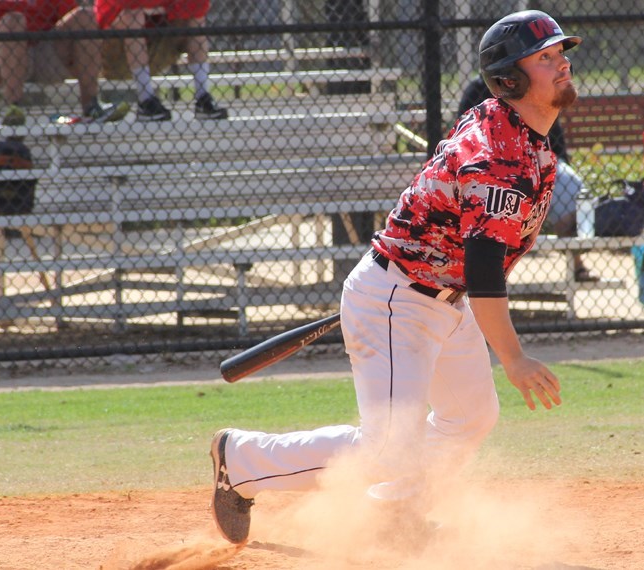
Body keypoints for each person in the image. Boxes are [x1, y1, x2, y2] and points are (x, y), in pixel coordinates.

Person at [208, 10, 580, 547]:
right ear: (511, 79)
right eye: (544, 57)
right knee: (386, 450)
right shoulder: (497, 156)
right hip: (400, 296)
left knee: (470, 416)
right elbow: (484, 272)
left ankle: (396, 510)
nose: (561, 63)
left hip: (436, 297)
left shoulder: (523, 132)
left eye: (559, 52)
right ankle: (240, 461)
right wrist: (514, 358)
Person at [457, 75, 599, 281]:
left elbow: (555, 136)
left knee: (573, 188)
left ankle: (576, 263)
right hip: (494, 169)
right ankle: (489, 276)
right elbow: (466, 135)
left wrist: (559, 163)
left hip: (539, 163)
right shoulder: (477, 90)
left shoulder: (536, 85)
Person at [0, 0, 129, 126]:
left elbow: (71, 17)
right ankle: (14, 109)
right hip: (5, 55)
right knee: (13, 20)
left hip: (46, 52)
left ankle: (91, 107)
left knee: (85, 16)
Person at [94, 0, 227, 121]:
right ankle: (145, 101)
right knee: (133, 15)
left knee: (194, 17)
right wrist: (164, 8)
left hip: (155, 48)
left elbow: (197, 6)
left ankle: (203, 98)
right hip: (114, 55)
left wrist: (156, 9)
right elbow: (130, 5)